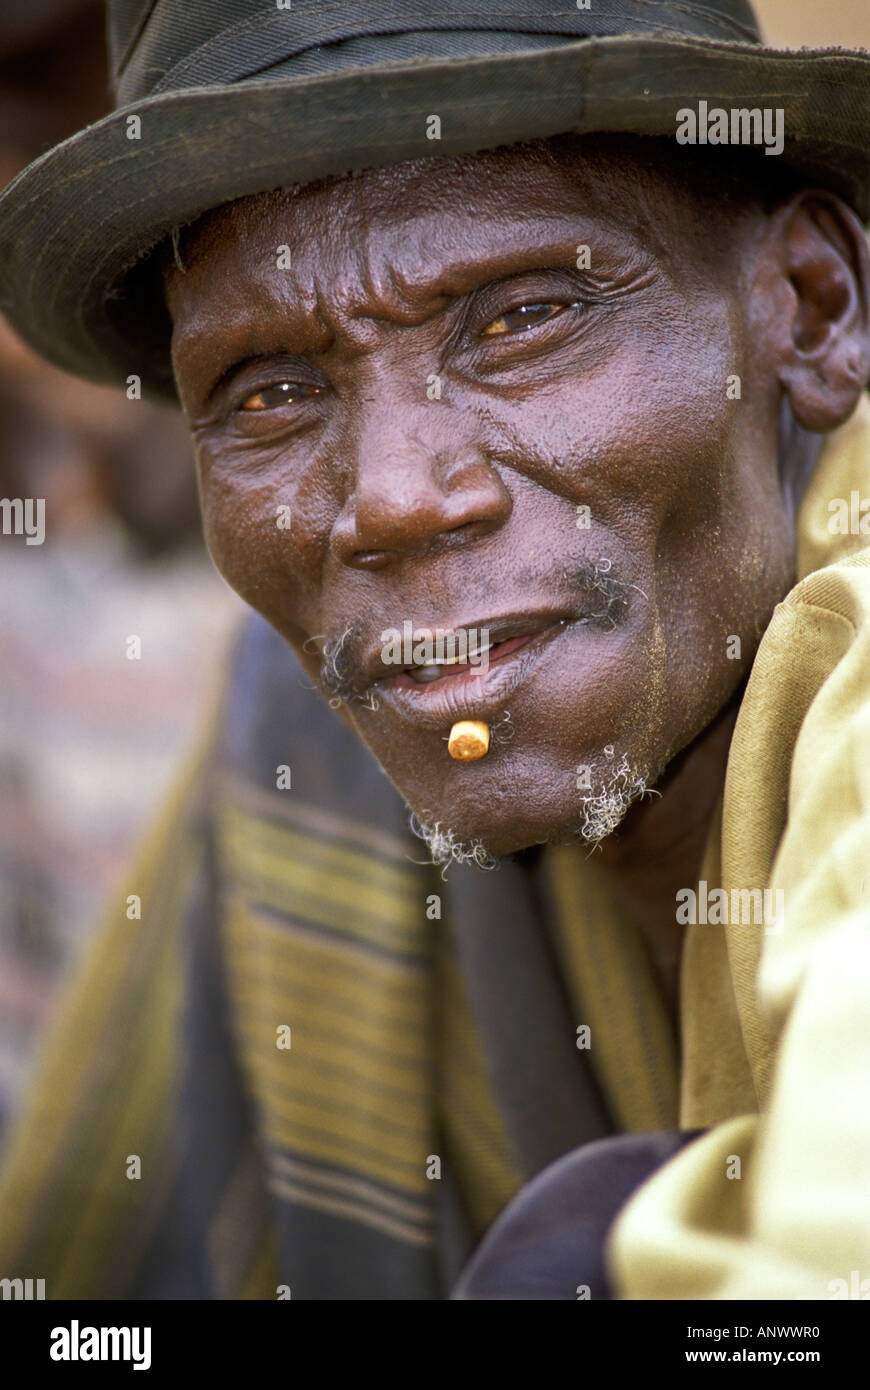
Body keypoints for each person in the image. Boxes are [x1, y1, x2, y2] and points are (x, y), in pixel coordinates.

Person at [0, 0, 868, 1300]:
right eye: (271, 391)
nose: (396, 498)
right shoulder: (310, 742)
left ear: (810, 308)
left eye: (520, 318)